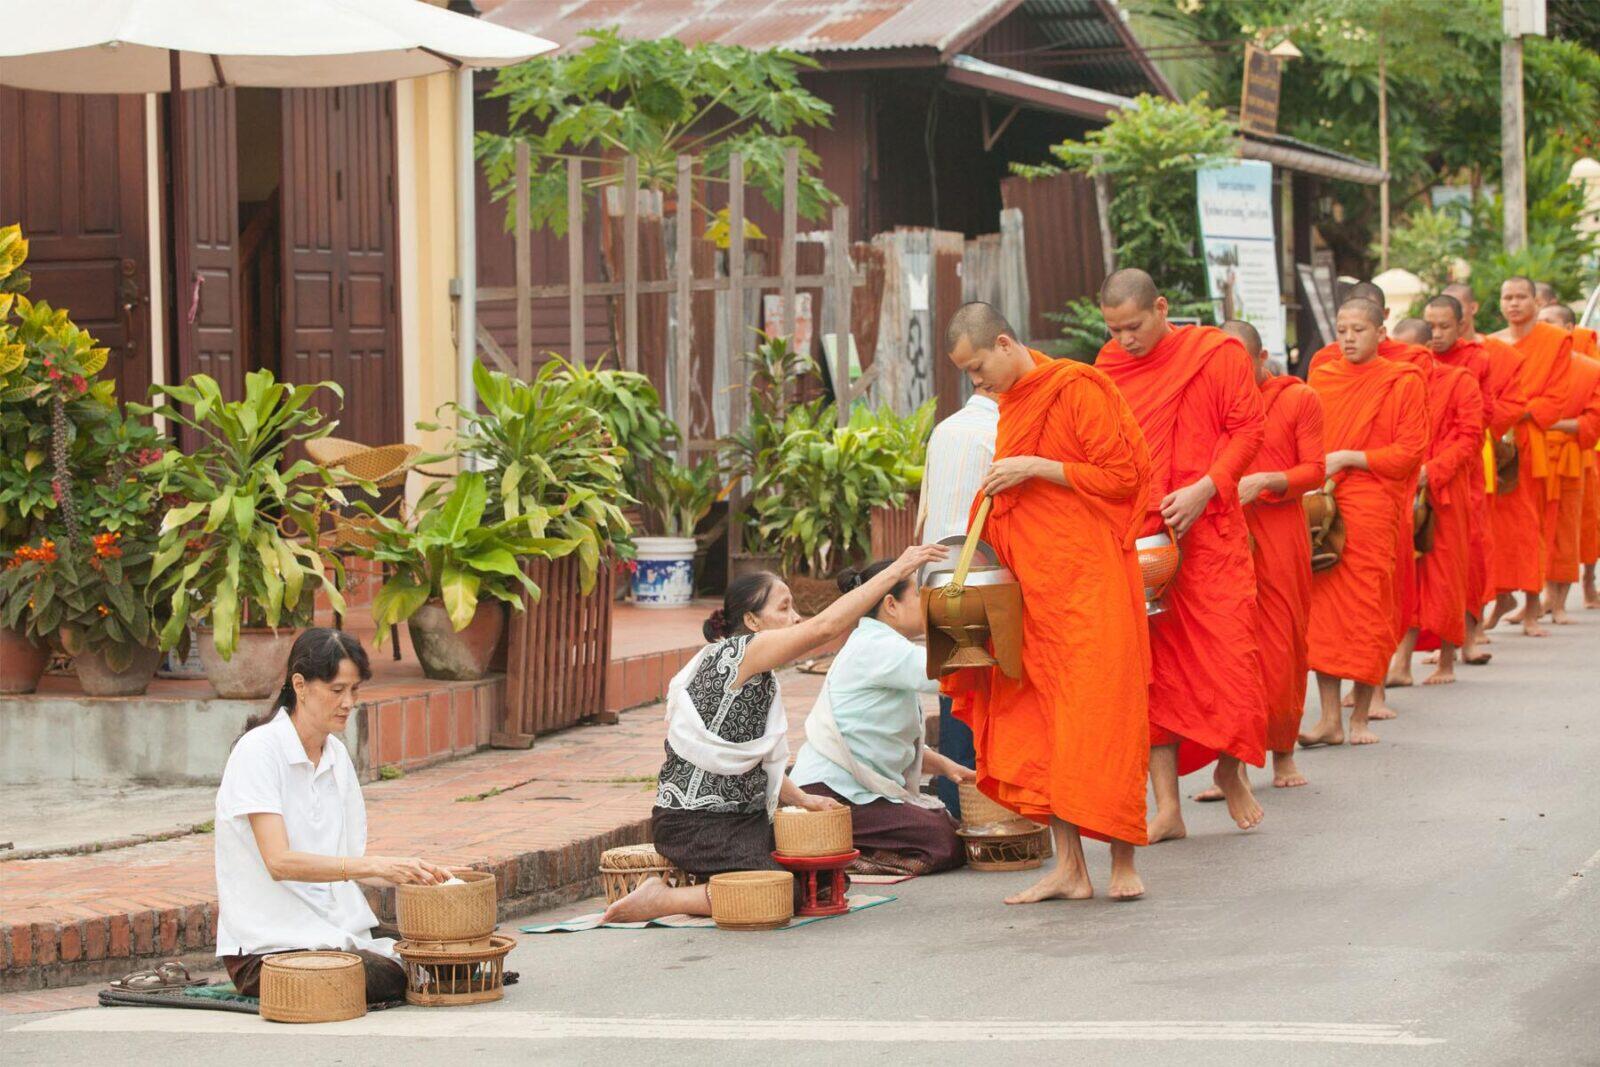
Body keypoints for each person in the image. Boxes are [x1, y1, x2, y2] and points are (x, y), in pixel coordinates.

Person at [603, 545, 946, 924]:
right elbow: (824, 627)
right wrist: (897, 568)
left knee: (829, 882)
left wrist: (804, 800)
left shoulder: (758, 670)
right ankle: (663, 900)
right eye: (783, 609)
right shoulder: (738, 654)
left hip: (744, 821)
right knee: (787, 892)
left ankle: (722, 881)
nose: (796, 617)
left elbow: (759, 761)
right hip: (695, 824)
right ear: (751, 620)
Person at [943, 300, 1153, 903]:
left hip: (1091, 583)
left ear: (1005, 343)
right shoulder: (1011, 404)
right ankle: (1070, 869)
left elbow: (1121, 478)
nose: (976, 381)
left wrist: (1037, 466)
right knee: (1043, 723)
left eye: (978, 366)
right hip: (1034, 589)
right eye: (967, 373)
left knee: (1101, 717)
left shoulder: (1076, 387)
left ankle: (1122, 862)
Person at [1095, 269, 1268, 841]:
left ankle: (1231, 767)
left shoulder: (1215, 355)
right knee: (1156, 674)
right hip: (1144, 537)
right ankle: (1166, 807)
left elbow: (1249, 430)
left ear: (1162, 308)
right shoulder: (1109, 368)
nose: (1126, 340)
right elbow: (1104, 446)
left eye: (1135, 326)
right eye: (1115, 329)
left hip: (1211, 530)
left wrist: (1206, 487)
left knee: (1231, 655)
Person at [214, 628, 452, 1004]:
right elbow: (279, 862)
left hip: (330, 928)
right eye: (337, 690)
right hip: (268, 951)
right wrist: (375, 866)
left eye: (354, 691)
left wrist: (409, 871)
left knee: (445, 954)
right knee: (390, 973)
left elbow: (349, 865)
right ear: (300, 685)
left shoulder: (336, 756)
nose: (348, 702)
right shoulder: (258, 751)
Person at [1195, 321, 1323, 801]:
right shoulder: (1215, 402)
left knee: (1281, 643)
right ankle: (1231, 767)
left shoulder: (1297, 398)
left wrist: (1268, 480)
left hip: (1281, 532)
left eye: (1239, 365)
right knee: (1228, 649)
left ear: (1262, 356)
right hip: (1225, 532)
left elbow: (1315, 469)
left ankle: (1283, 751)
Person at [1299, 299, 1427, 747]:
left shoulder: (1401, 380)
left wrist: (1351, 457)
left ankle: (1362, 716)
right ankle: (1330, 718)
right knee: (1325, 612)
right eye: (1342, 329)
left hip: (1373, 504)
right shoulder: (1323, 376)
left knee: (1368, 606)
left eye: (1358, 329)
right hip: (1325, 504)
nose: (1349, 338)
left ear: (1380, 332)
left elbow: (1410, 452)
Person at [789, 560, 971, 876]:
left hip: (852, 790)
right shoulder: (877, 646)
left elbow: (880, 739)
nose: (928, 603)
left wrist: (944, 765)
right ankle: (842, 855)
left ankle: (843, 848)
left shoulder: (881, 644)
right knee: (943, 840)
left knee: (947, 828)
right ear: (891, 605)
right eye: (920, 595)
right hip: (829, 792)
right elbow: (945, 672)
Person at [1385, 317, 1483, 687]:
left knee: (1444, 576)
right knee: (1405, 576)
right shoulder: (1394, 384)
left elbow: (1470, 437)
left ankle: (1446, 659)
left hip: (1446, 491)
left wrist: (1433, 469)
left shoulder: (1459, 381)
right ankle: (1401, 663)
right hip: (1401, 486)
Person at [915, 385, 999, 818]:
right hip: (982, 572)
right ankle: (985, 807)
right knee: (987, 692)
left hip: (936, 569)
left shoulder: (944, 430)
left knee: (954, 692)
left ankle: (955, 805)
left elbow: (926, 506)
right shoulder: (1000, 430)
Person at [1437, 286, 1526, 663]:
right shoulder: (1417, 361)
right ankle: (1439, 638)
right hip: (1427, 466)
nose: (1436, 333)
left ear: (1465, 317)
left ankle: (1469, 635)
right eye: (1431, 325)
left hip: (1470, 460)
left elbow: (1494, 412)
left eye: (1443, 325)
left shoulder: (1481, 358)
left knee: (1470, 550)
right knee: (1432, 558)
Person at [1486, 277, 1573, 637]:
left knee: (1531, 528)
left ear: (1536, 302)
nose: (1514, 304)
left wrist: (1515, 410)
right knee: (1495, 531)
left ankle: (1534, 608)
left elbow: (1557, 401)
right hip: (1496, 444)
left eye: (1521, 297)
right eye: (1507, 297)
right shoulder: (1491, 344)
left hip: (1529, 443)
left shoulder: (1555, 341)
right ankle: (1501, 598)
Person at [1534, 303, 1600, 624]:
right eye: (1541, 323)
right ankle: (1539, 599)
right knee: (1537, 530)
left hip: (1571, 459)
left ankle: (1558, 602)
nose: (1544, 329)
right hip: (1535, 458)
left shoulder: (1589, 370)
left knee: (1566, 531)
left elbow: (1591, 422)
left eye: (1552, 323)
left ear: (1570, 329)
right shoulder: (1531, 366)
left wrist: (1550, 422)